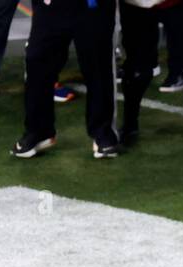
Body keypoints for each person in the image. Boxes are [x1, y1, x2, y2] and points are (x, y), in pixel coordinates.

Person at [12, 0, 120, 158]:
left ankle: (103, 133)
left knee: (98, 66)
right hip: (51, 7)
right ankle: (38, 131)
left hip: (92, 6)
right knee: (37, 61)